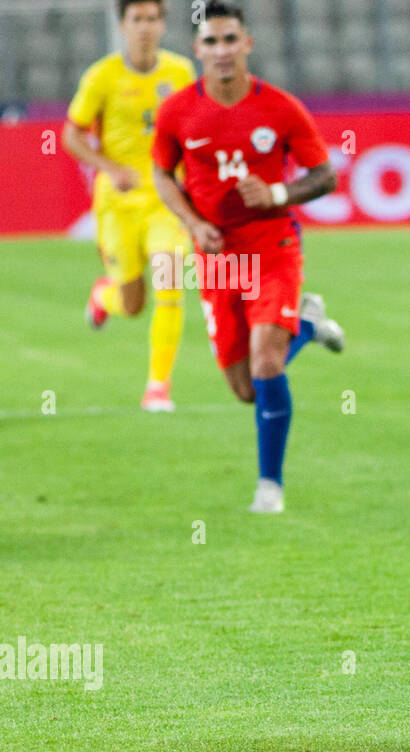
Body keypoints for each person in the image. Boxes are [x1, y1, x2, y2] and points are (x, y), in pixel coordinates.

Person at [151, 1, 345, 513]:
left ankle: (269, 487)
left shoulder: (280, 108)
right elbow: (161, 175)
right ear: (197, 50)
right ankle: (307, 324)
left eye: (230, 39)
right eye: (211, 42)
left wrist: (278, 196)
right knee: (246, 389)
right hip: (216, 256)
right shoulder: (177, 111)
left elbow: (325, 175)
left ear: (247, 44)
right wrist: (194, 224)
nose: (221, 51)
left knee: (265, 361)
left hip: (273, 248)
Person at [64, 0, 194, 412]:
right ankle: (104, 297)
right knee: (133, 304)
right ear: (122, 25)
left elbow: (192, 132)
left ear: (162, 25)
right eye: (137, 19)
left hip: (166, 201)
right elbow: (71, 135)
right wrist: (109, 168)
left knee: (170, 282)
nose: (145, 27)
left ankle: (158, 386)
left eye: (153, 19)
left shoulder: (180, 72)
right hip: (118, 204)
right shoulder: (102, 77)